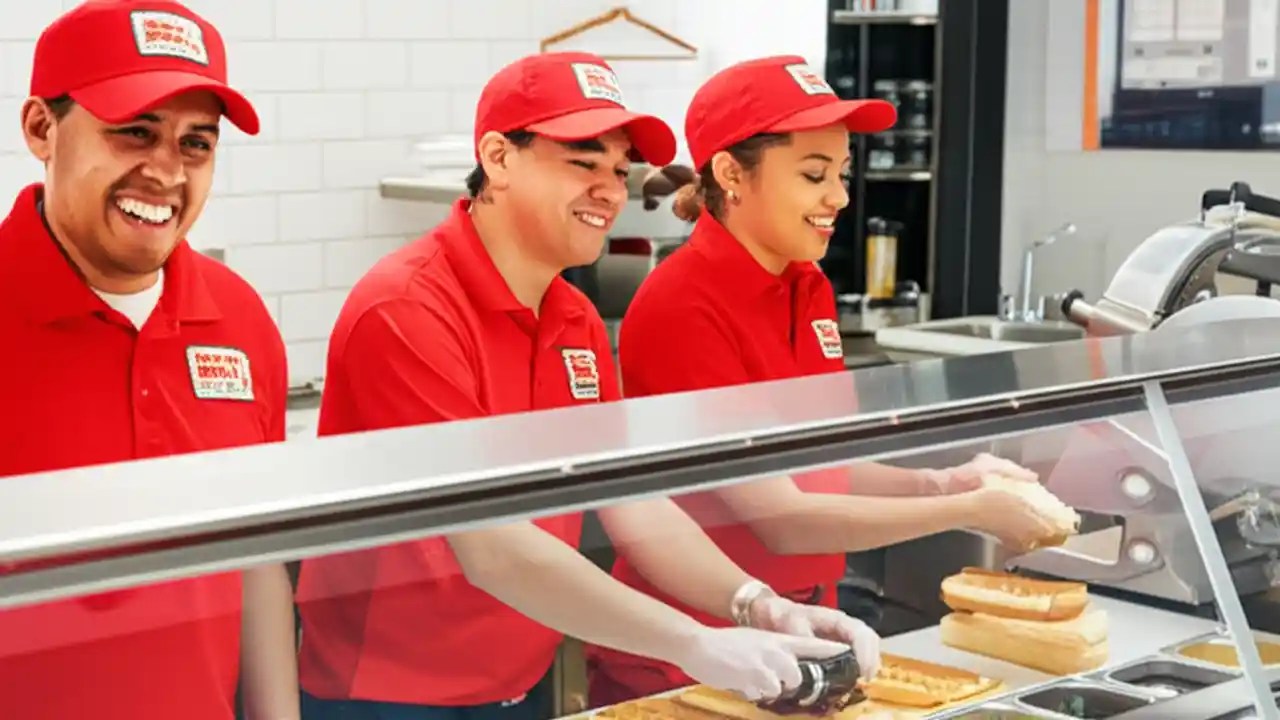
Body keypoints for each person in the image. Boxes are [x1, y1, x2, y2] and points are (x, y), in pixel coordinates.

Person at [294, 51, 879, 720]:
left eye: (619, 169)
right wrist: (695, 642)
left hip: (522, 678)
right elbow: (492, 549)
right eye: (583, 162)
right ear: (499, 157)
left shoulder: (575, 320)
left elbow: (630, 501)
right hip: (390, 695)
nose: (609, 189)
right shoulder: (407, 307)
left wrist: (755, 604)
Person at [585, 55, 1069, 706]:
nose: (839, 197)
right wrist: (965, 511)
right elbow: (783, 520)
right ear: (731, 174)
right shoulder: (682, 306)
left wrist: (945, 480)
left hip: (813, 629)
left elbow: (819, 467)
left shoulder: (806, 286)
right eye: (814, 175)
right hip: (703, 653)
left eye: (840, 174)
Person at [0, 2, 299, 719]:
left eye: (196, 144)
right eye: (135, 132)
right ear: (42, 129)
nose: (166, 172)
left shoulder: (240, 318)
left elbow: (254, 562)